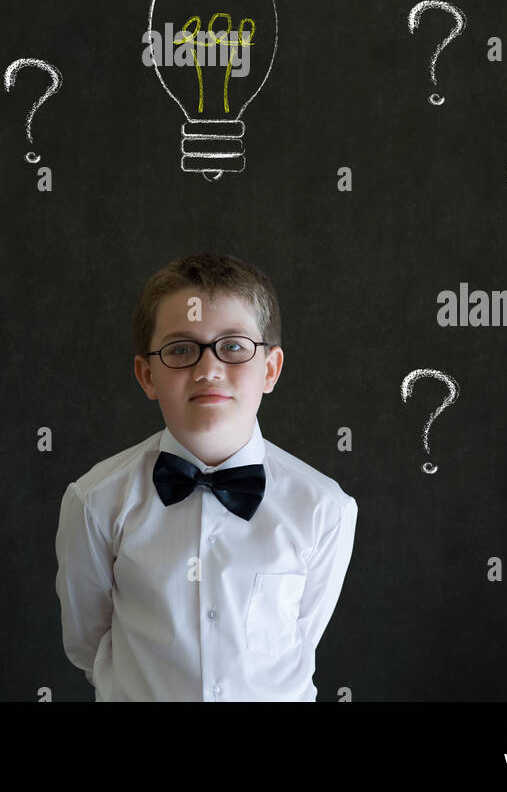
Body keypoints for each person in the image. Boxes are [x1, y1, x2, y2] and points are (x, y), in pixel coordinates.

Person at [55, 253, 357, 701]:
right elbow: (89, 643)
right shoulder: (95, 500)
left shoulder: (323, 506)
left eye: (233, 346)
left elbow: (303, 635)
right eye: (181, 349)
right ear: (147, 375)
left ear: (270, 369)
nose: (208, 369)